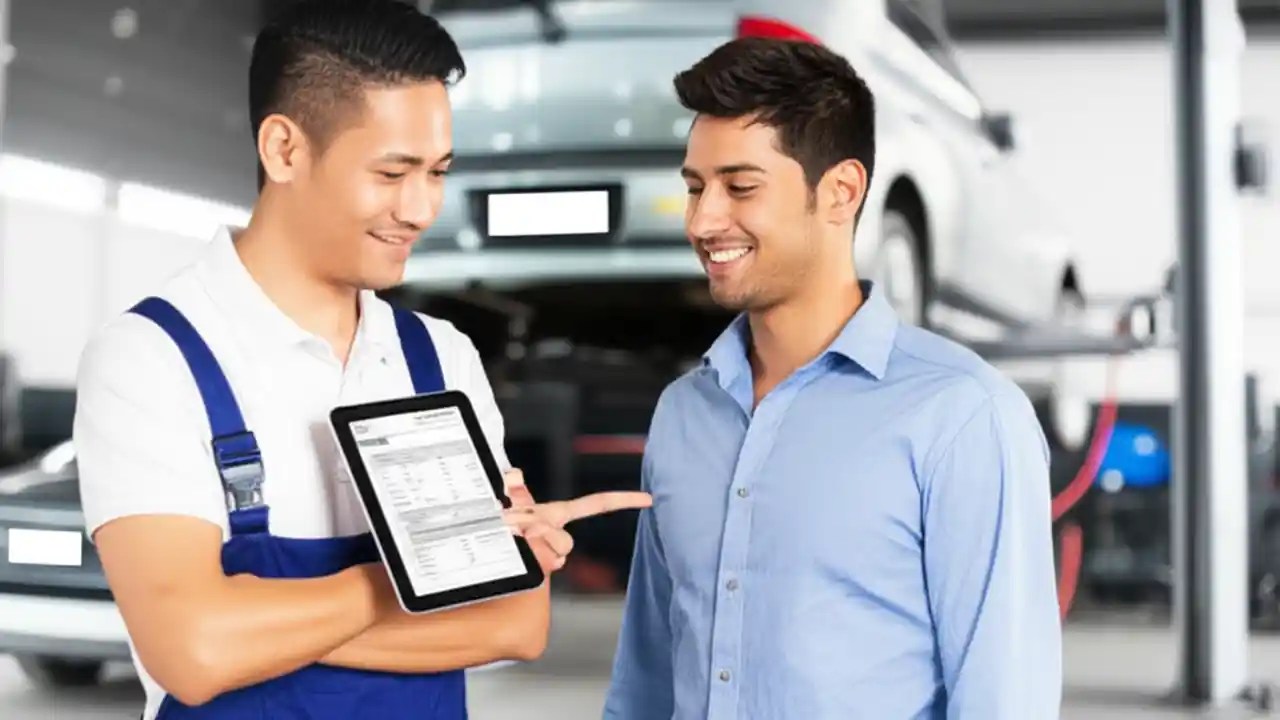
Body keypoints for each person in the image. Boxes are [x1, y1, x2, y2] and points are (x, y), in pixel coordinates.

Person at [72, 2, 649, 718]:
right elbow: (193, 652)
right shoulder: (152, 361)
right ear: (284, 149)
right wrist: (414, 576)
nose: (421, 208)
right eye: (392, 171)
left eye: (437, 171)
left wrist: (262, 621)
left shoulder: (440, 358)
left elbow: (514, 624)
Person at [603, 37, 1062, 719]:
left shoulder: (963, 417)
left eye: (741, 186)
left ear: (841, 192)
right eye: (695, 187)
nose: (702, 220)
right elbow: (645, 686)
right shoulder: (683, 412)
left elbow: (1004, 702)